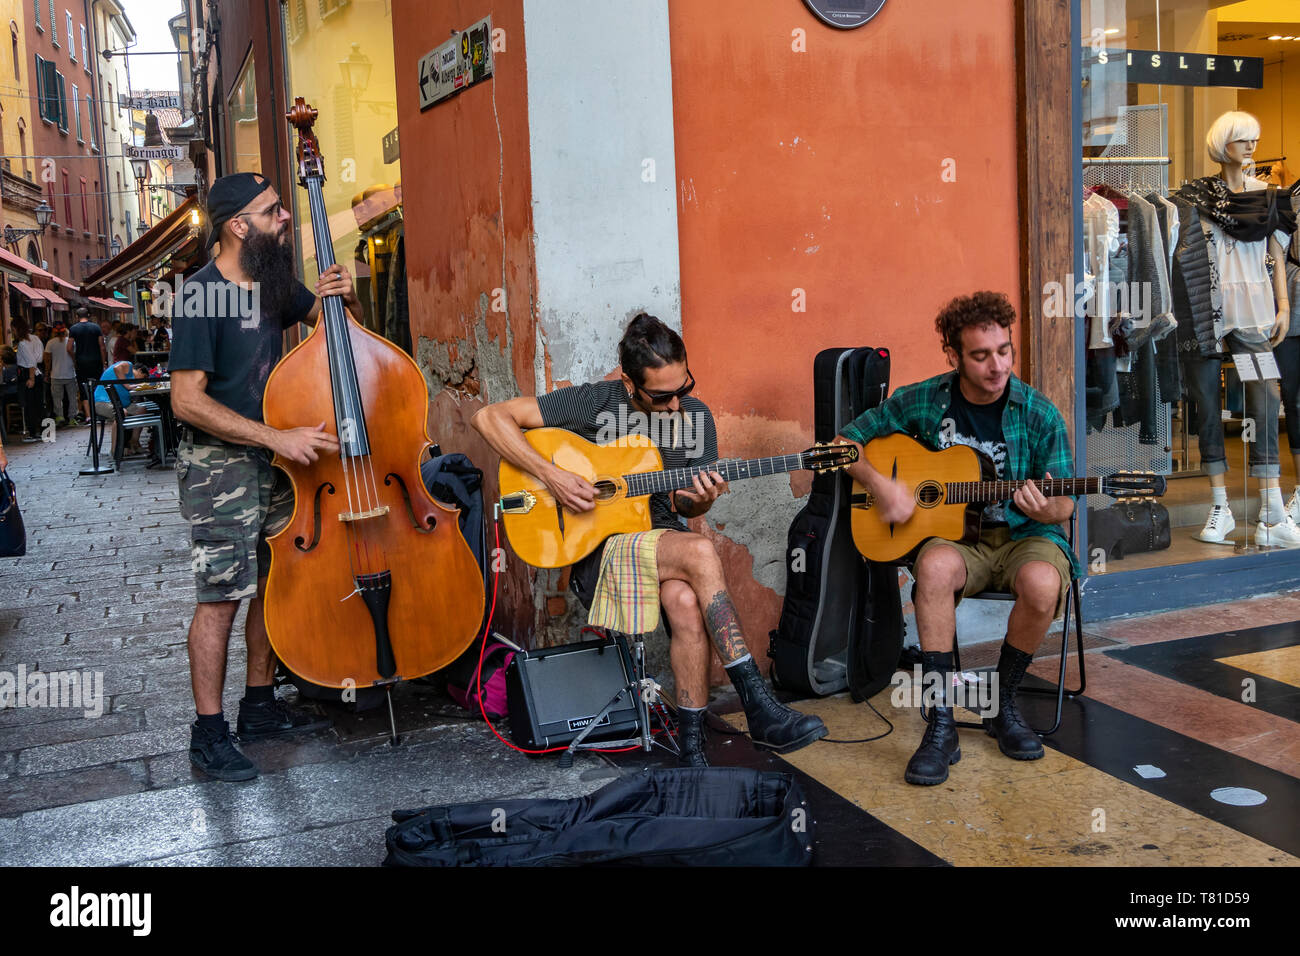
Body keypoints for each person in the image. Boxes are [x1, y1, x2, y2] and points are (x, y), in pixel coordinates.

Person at [471, 313, 828, 766]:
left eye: (685, 388)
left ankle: (692, 749)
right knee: (700, 549)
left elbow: (686, 508)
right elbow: (489, 417)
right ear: (628, 382)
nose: (677, 404)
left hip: (663, 543)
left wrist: (700, 500)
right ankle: (759, 706)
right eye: (662, 395)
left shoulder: (694, 418)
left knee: (683, 601)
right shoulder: (597, 403)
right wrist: (554, 476)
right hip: (601, 551)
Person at [838, 291, 1078, 786]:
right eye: (981, 355)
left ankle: (1002, 703)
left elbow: (1065, 503)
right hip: (957, 540)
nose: (997, 366)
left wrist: (1046, 506)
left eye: (1005, 351)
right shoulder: (924, 399)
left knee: (1041, 583)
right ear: (953, 356)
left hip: (1023, 534)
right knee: (933, 567)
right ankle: (942, 722)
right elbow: (840, 444)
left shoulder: (1039, 413)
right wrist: (882, 487)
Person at [169, 171, 361, 782]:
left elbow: (341, 331)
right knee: (222, 596)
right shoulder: (202, 295)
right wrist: (276, 436)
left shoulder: (274, 281)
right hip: (216, 465)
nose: (285, 219)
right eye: (273, 211)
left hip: (273, 461)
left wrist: (344, 294)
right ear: (236, 226)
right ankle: (208, 733)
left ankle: (258, 705)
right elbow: (186, 400)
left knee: (278, 579)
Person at [1176, 111, 1298, 546]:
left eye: (1255, 139)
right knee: (1208, 405)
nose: (1250, 146)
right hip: (1206, 312)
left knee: (1264, 396)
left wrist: (1283, 305)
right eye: (1243, 139)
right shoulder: (1196, 197)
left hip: (1255, 309)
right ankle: (1220, 506)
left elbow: (1277, 256)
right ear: (1223, 144)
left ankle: (1271, 508)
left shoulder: (1269, 198)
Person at [94, 360, 162, 459]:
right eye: (143, 378)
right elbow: (117, 368)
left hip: (120, 404)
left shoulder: (130, 378)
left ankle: (134, 442)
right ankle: (115, 450)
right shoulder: (128, 365)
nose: (141, 381)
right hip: (102, 402)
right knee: (121, 413)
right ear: (139, 371)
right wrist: (127, 385)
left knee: (142, 410)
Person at [67, 307, 106, 425]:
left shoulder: (73, 329)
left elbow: (69, 348)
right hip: (96, 361)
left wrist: (75, 359)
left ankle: (89, 416)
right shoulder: (96, 327)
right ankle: (98, 413)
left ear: (77, 316)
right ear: (88, 315)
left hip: (81, 363)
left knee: (84, 389)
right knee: (97, 388)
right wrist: (103, 362)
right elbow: (102, 346)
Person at [10, 316, 46, 443]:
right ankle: (42, 431)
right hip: (38, 372)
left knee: (29, 405)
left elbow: (30, 362)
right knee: (39, 403)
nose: (12, 332)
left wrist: (31, 378)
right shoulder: (35, 338)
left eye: (13, 329)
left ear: (16, 329)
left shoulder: (23, 343)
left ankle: (33, 432)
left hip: (28, 374)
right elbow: (40, 356)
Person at [43, 321, 78, 426]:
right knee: (72, 397)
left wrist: (47, 373)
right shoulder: (71, 342)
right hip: (70, 373)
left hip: (56, 374)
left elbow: (47, 360)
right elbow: (74, 357)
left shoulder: (50, 343)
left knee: (57, 398)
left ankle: (60, 417)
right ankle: (72, 418)